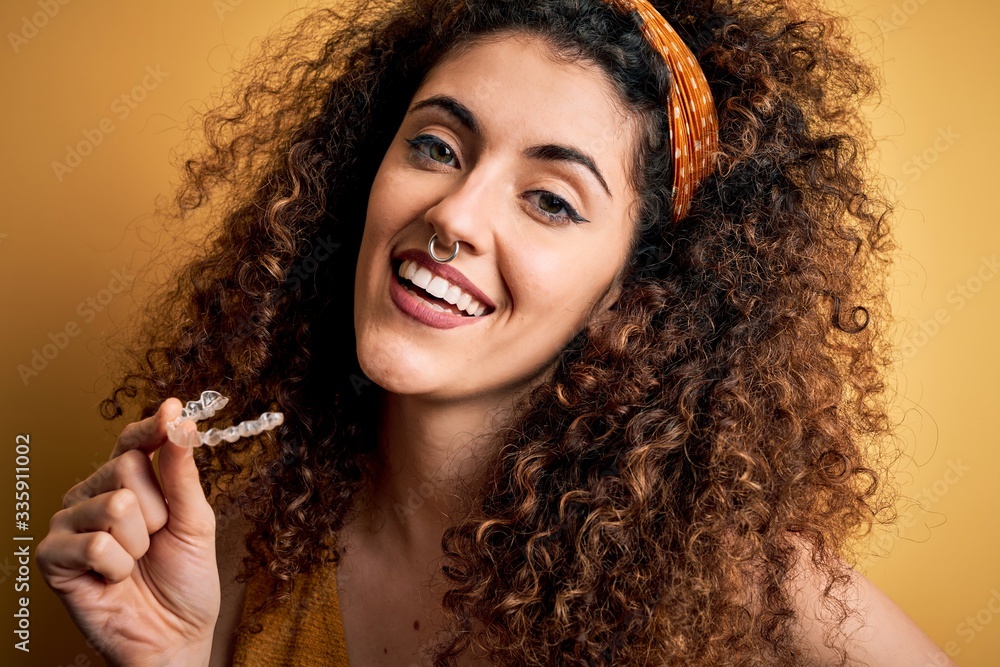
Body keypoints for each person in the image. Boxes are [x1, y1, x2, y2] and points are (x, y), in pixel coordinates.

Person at [37, 0, 959, 665]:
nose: (456, 215)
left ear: (632, 302)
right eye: (437, 146)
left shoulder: (753, 603)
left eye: (551, 201)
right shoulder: (220, 567)